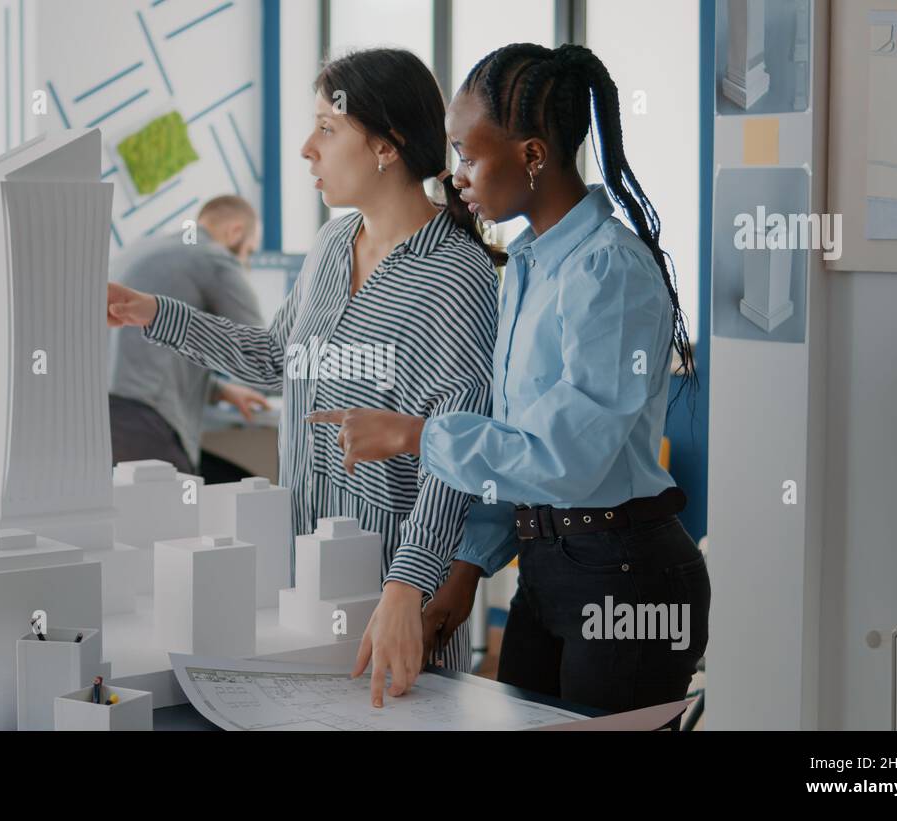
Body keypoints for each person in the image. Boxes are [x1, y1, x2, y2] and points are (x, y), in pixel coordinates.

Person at [310, 43, 710, 724]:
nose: (453, 173)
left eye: (468, 153)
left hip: (626, 577)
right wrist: (464, 574)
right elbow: (511, 444)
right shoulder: (527, 265)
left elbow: (564, 459)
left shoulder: (607, 271)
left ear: (531, 154)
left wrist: (417, 434)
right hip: (546, 567)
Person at [107, 48, 504, 693]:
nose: (305, 149)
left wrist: (406, 589)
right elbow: (273, 359)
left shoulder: (456, 277)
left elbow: (453, 456)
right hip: (303, 593)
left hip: (395, 604)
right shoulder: (329, 246)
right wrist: (153, 313)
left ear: (386, 147)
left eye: (326, 128)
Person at [107, 195, 270, 478]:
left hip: (94, 417)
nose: (247, 264)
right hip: (141, 424)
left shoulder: (145, 247)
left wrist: (219, 390)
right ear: (235, 232)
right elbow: (264, 356)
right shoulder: (213, 256)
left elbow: (138, 351)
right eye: (249, 252)